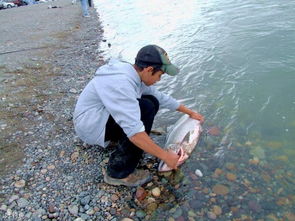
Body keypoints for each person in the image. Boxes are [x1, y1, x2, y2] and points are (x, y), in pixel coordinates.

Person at [73, 45, 205, 187]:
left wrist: (189, 113)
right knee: (146, 108)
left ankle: (119, 141)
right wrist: (166, 156)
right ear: (149, 70)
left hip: (97, 119)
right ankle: (118, 173)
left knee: (152, 101)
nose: (159, 80)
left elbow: (160, 97)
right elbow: (135, 133)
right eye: (159, 75)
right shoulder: (121, 83)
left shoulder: (133, 75)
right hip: (90, 127)